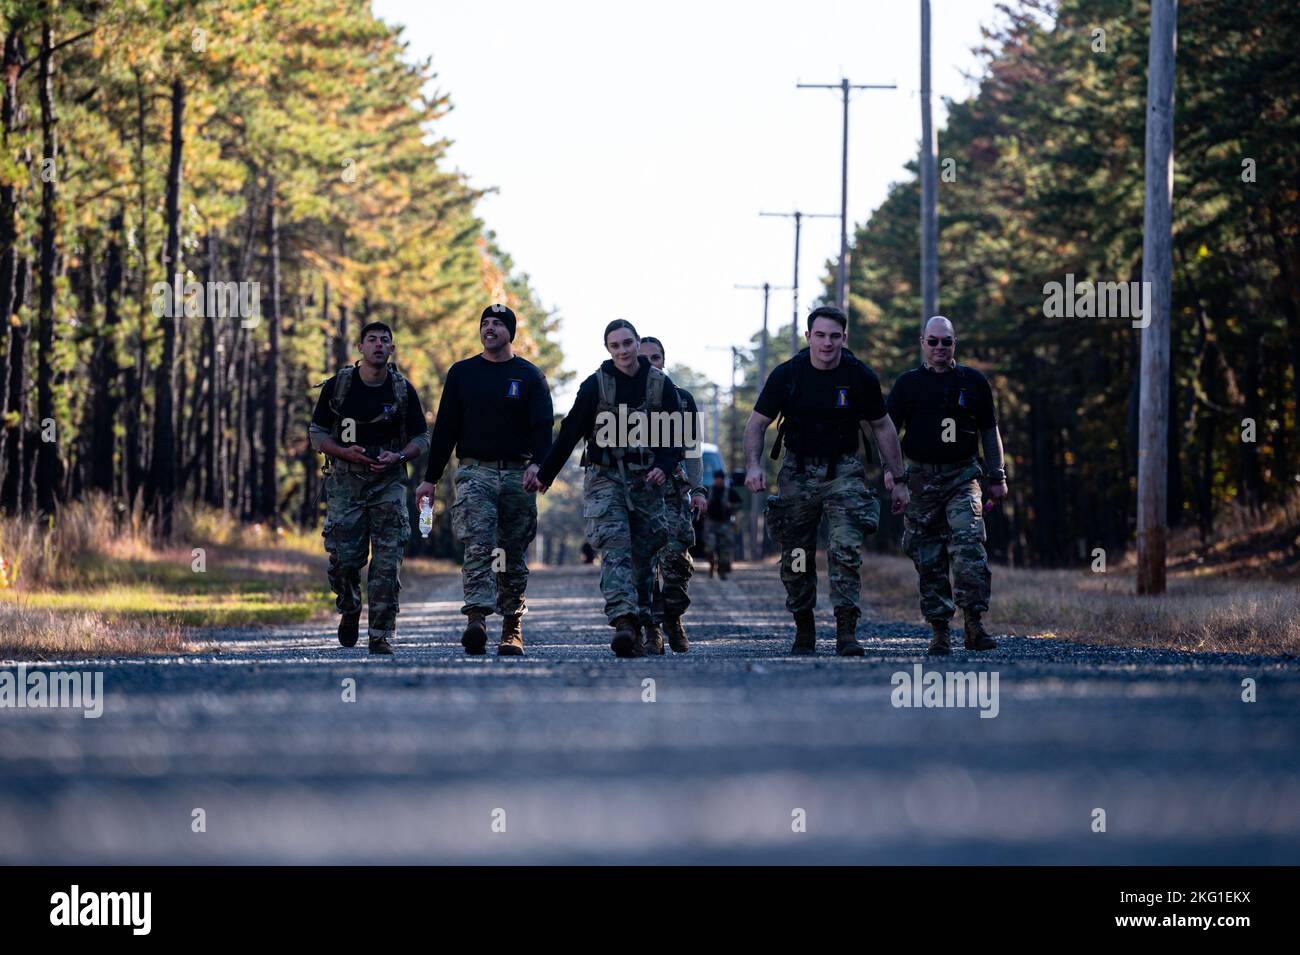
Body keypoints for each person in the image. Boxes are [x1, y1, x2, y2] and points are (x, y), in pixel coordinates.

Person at [742, 305, 909, 656]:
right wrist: (754, 466)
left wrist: (898, 474)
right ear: (808, 337)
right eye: (820, 335)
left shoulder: (859, 376)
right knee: (797, 554)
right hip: (797, 473)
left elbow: (882, 426)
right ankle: (804, 626)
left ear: (844, 338)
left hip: (844, 471)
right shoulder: (788, 375)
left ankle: (846, 630)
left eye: (835, 336)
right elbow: (757, 423)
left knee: (845, 548)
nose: (827, 343)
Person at [535, 319, 684, 657]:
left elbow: (676, 437)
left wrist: (663, 467)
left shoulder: (661, 385)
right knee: (615, 547)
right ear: (607, 349)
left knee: (644, 557)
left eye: (627, 343)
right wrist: (546, 475)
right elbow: (570, 432)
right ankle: (623, 621)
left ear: (636, 343)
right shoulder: (595, 386)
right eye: (615, 346)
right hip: (605, 478)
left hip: (646, 479)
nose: (623, 351)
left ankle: (646, 622)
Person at [414, 304, 553, 656]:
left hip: (519, 475)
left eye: (497, 324)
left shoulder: (529, 376)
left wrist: (540, 466)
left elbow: (542, 429)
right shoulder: (462, 373)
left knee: (510, 553)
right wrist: (430, 479)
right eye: (484, 323)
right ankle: (476, 618)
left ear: (511, 332)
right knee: (479, 544)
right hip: (476, 472)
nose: (489, 329)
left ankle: (511, 627)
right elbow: (445, 429)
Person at [885, 315, 1006, 656]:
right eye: (933, 341)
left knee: (969, 548)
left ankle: (974, 624)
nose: (940, 348)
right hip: (921, 479)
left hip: (963, 477)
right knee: (929, 557)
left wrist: (997, 475)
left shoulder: (973, 382)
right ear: (922, 342)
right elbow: (887, 433)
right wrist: (893, 476)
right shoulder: (907, 385)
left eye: (947, 341)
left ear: (955, 344)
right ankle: (940, 630)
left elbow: (989, 430)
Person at [309, 322, 429, 655]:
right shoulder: (338, 386)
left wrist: (400, 455)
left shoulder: (402, 390)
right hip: (346, 483)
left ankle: (380, 633)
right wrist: (342, 451)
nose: (379, 345)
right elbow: (316, 433)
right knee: (345, 561)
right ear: (360, 347)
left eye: (385, 341)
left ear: (392, 349)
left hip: (388, 483)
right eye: (372, 340)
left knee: (388, 561)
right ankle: (349, 607)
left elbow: (422, 437)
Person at [638, 336, 706, 653]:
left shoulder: (681, 399)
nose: (650, 363)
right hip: (637, 493)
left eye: (656, 357)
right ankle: (652, 630)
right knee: (645, 563)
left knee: (677, 565)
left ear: (663, 360)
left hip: (674, 493)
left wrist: (698, 489)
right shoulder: (623, 399)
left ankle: (673, 618)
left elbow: (693, 450)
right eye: (644, 358)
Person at [704, 470, 742, 579]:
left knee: (724, 550)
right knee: (709, 548)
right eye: (717, 478)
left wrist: (731, 506)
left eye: (720, 478)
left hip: (725, 524)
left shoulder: (729, 492)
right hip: (711, 524)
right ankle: (712, 564)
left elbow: (740, 504)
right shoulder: (708, 490)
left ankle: (722, 570)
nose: (719, 480)